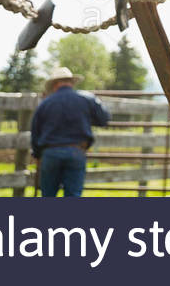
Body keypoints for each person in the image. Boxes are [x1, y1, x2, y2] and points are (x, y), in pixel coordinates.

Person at [29, 66, 111, 197]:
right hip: (76, 150)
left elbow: (35, 132)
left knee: (48, 194)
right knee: (73, 195)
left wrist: (38, 154)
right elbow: (104, 118)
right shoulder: (86, 99)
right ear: (71, 82)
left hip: (50, 153)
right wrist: (86, 117)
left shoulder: (45, 104)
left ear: (55, 84)